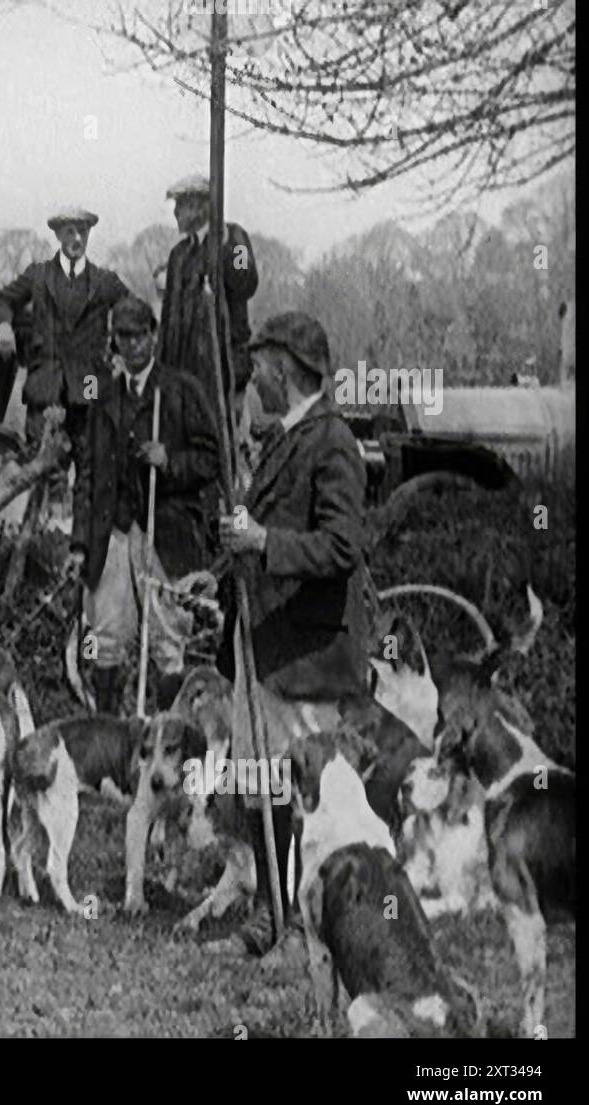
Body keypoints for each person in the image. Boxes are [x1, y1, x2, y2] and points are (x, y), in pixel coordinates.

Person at [216, 311, 370, 956]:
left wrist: (263, 541)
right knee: (261, 788)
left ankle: (310, 929)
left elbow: (343, 545)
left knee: (308, 801)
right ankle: (268, 915)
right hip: (265, 643)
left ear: (283, 369)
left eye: (258, 367)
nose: (252, 378)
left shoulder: (332, 441)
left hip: (307, 654)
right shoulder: (283, 437)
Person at [71, 296, 220, 714]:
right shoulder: (103, 398)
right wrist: (80, 542)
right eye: (124, 337)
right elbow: (87, 475)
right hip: (114, 533)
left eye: (140, 335)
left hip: (166, 533)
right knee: (106, 638)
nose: (133, 345)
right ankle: (108, 738)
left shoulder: (181, 389)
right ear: (114, 342)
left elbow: (212, 459)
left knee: (168, 641)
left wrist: (169, 460)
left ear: (154, 335)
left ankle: (168, 739)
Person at [0, 207, 131, 459]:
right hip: (45, 387)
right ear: (57, 235)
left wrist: (122, 353)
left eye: (83, 232)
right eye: (70, 232)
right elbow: (1, 301)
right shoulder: (38, 275)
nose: (77, 239)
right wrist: (4, 326)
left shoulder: (105, 281)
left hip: (89, 385)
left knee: (91, 465)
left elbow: (133, 312)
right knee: (39, 467)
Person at [159, 174, 259, 405]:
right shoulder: (179, 254)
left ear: (199, 207)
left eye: (181, 205)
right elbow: (168, 319)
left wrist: (226, 246)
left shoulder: (235, 237)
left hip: (224, 369)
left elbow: (247, 282)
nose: (176, 213)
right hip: (184, 372)